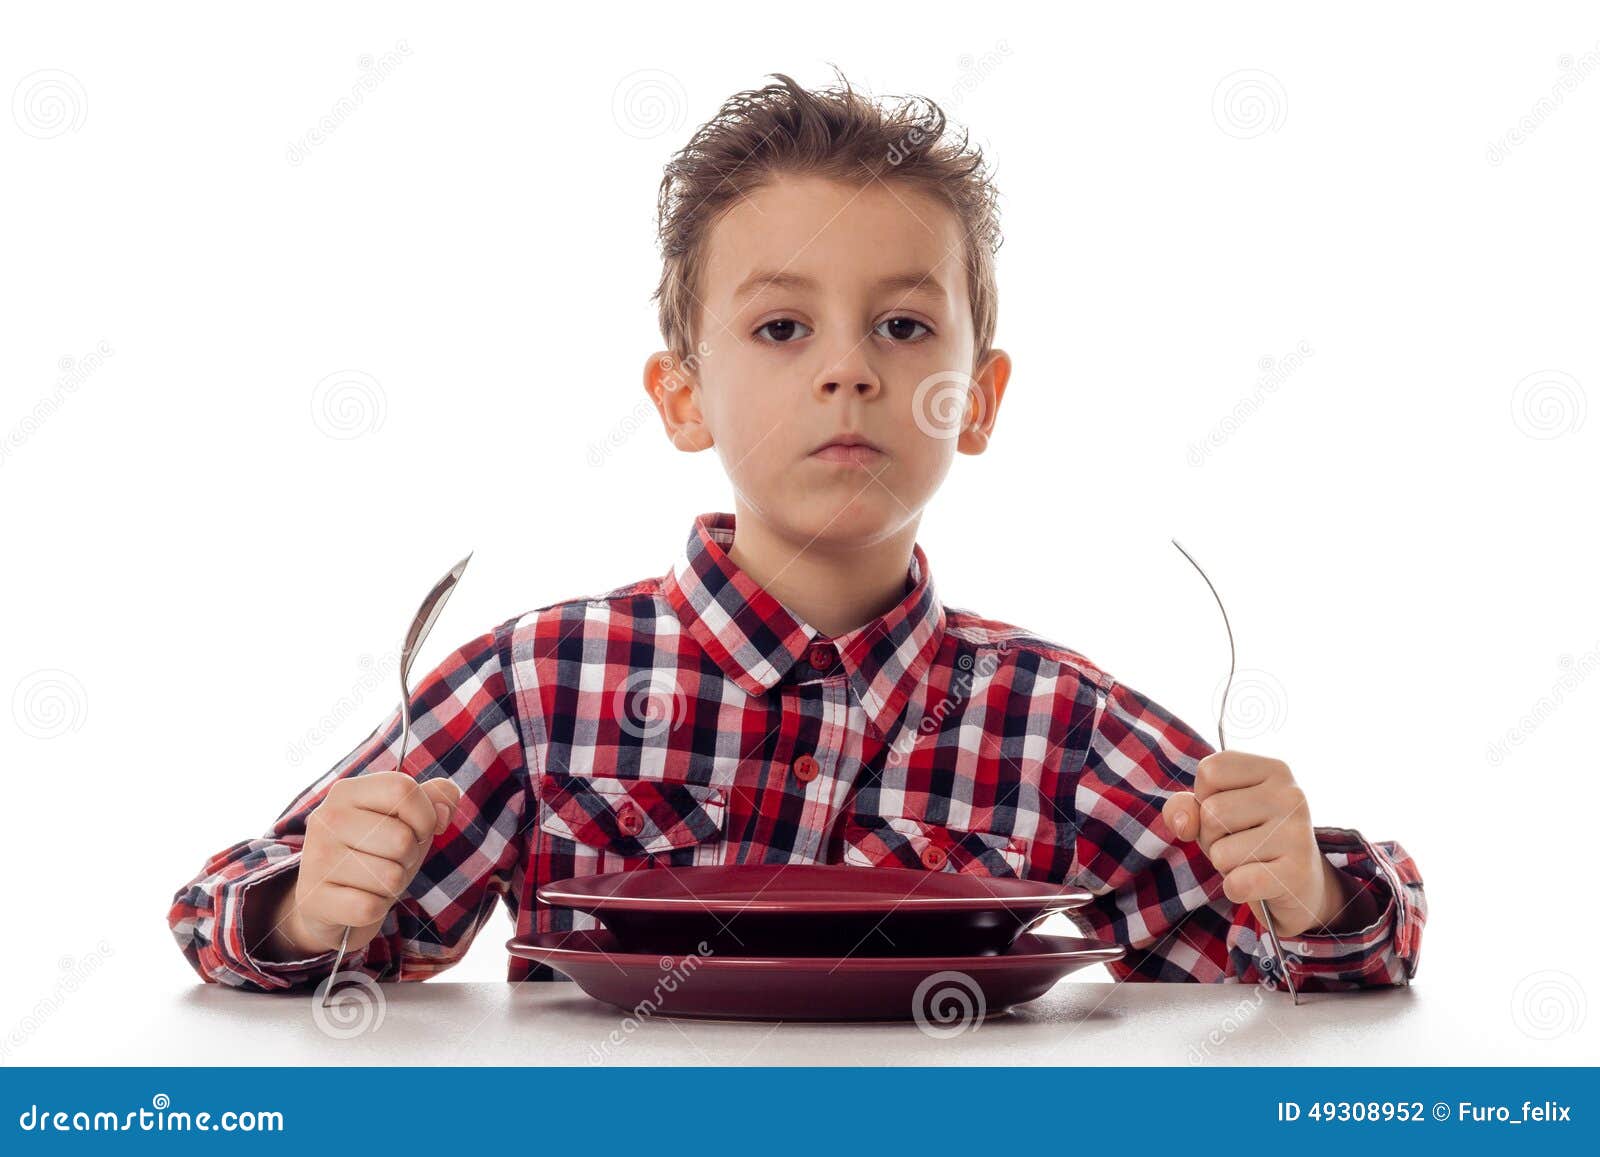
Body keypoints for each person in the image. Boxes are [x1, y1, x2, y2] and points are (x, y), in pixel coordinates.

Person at [168, 69, 1424, 993]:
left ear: (975, 401)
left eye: (902, 327)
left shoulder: (1059, 722)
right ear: (680, 396)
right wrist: (302, 907)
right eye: (781, 329)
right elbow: (229, 911)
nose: (847, 373)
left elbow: (1324, 949)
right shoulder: (535, 684)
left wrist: (1306, 890)